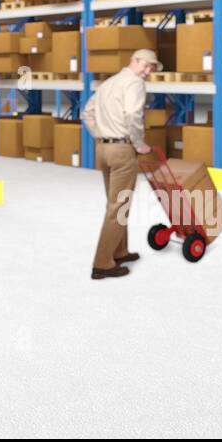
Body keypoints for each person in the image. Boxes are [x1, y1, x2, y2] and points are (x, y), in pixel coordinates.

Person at [80, 48, 162, 279]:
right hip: (122, 151)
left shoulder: (108, 83)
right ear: (133, 61)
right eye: (145, 66)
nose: (147, 72)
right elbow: (133, 114)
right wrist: (138, 144)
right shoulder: (134, 84)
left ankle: (120, 250)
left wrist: (102, 135)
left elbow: (86, 113)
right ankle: (103, 263)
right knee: (118, 207)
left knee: (115, 204)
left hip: (103, 150)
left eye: (150, 69)